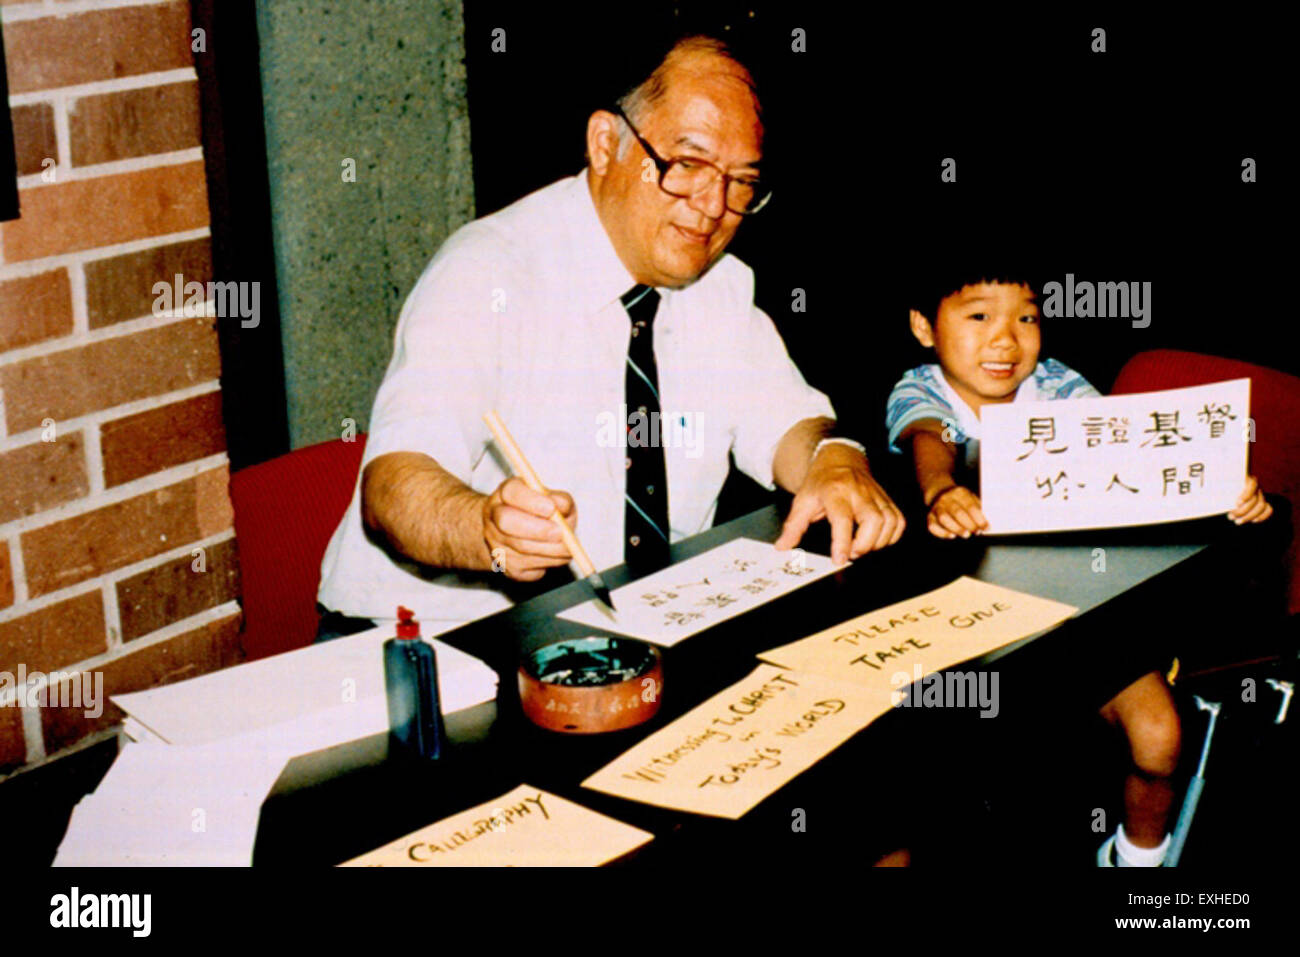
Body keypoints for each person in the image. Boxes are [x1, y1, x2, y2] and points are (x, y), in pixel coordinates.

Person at [315, 34, 905, 640]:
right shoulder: (488, 273)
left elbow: (790, 425)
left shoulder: (717, 284)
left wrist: (835, 458)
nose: (713, 206)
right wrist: (484, 529)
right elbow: (392, 488)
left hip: (633, 629)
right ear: (605, 144)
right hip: (434, 642)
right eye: (688, 165)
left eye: (741, 182)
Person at [885, 274, 1273, 866]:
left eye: (1027, 318)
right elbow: (926, 436)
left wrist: (1224, 486)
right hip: (971, 638)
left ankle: (1137, 865)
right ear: (923, 327)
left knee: (1160, 736)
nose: (1006, 341)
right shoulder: (922, 389)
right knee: (918, 774)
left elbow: (1138, 449)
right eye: (979, 318)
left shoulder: (1060, 385)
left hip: (1085, 617)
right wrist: (940, 489)